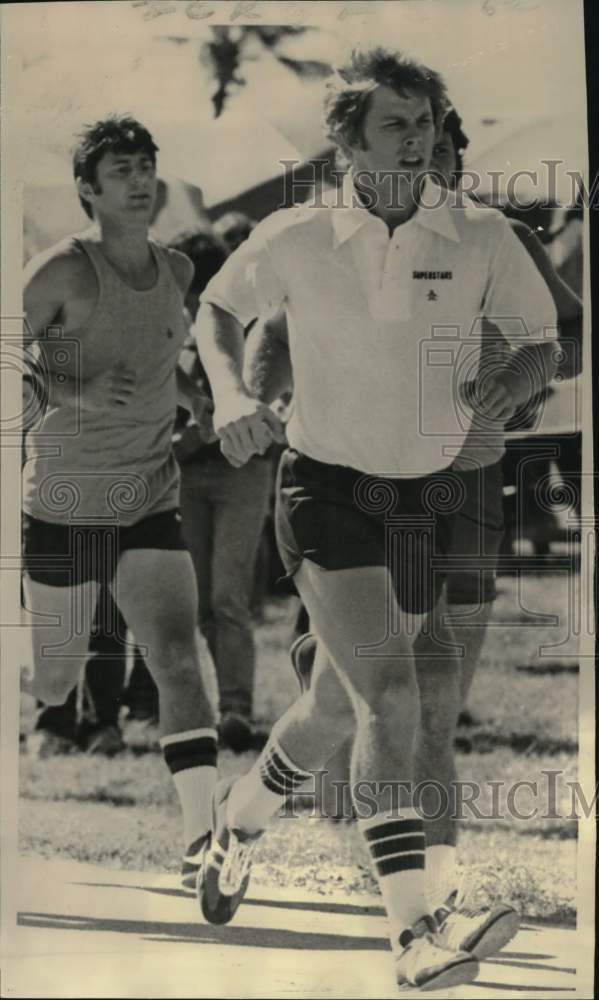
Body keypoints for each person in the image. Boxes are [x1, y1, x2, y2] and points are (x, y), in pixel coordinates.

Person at [194, 48, 558, 990]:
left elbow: (539, 342)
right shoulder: (296, 233)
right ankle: (415, 936)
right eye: (395, 123)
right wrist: (232, 393)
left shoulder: (477, 233)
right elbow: (218, 309)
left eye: (426, 121)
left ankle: (238, 817)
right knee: (391, 692)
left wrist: (500, 404)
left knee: (344, 705)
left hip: (423, 499)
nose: (418, 138)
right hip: (325, 491)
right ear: (346, 139)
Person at [21, 115, 218, 889]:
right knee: (53, 683)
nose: (140, 182)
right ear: (86, 190)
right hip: (65, 502)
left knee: (175, 652)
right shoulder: (60, 273)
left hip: (148, 494)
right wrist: (80, 389)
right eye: (121, 171)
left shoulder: (175, 269)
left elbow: (161, 358)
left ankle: (203, 838)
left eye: (147, 167)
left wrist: (198, 397)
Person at [171, 228, 274, 752]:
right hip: (187, 474)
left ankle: (235, 709)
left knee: (227, 596)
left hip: (241, 472)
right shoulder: (173, 332)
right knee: (196, 602)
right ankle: (206, 708)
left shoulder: (247, 328)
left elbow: (264, 403)